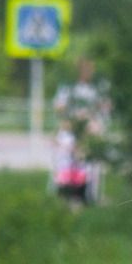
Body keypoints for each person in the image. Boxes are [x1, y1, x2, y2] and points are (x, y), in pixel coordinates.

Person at [52, 59, 112, 204]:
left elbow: (105, 109)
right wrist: (71, 123)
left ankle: (89, 195)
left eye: (89, 69)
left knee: (91, 164)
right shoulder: (69, 88)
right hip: (71, 130)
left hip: (91, 131)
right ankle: (64, 193)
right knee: (65, 160)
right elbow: (59, 108)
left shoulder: (97, 89)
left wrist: (93, 124)